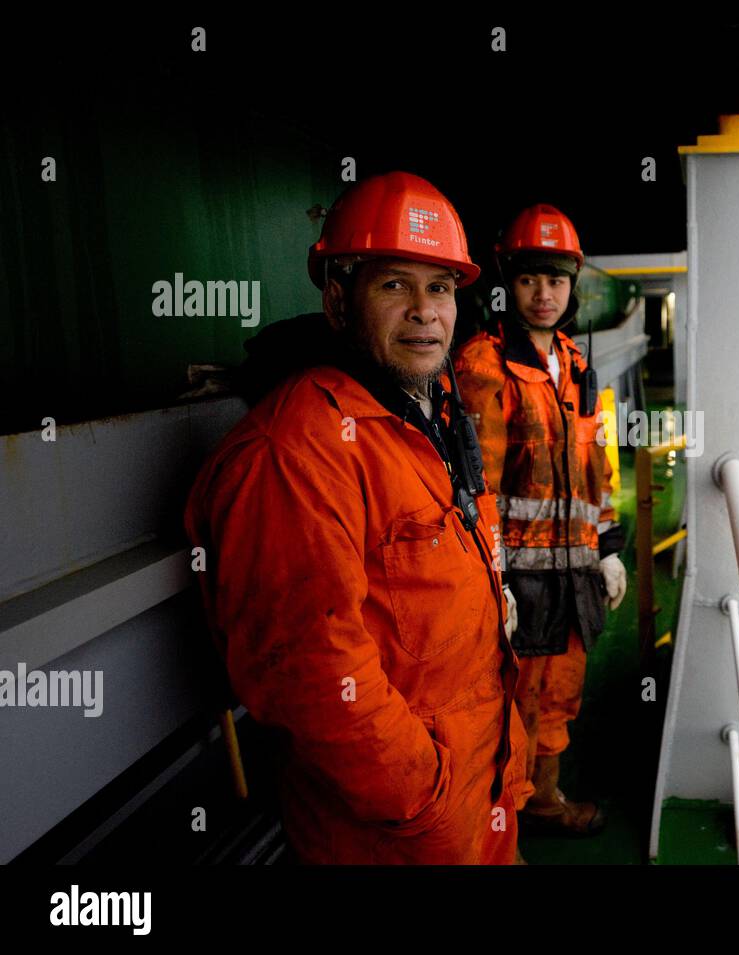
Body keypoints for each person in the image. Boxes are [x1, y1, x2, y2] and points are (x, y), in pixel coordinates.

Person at [183, 171, 531, 864]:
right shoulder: (296, 452)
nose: (425, 311)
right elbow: (310, 673)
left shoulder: (426, 410)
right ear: (339, 300)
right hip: (399, 834)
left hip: (483, 788)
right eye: (394, 284)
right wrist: (427, 800)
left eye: (439, 286)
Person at [454, 204, 626, 836]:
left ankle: (544, 804)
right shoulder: (483, 367)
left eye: (556, 280)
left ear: (573, 285)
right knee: (510, 713)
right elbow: (479, 489)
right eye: (531, 279)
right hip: (521, 587)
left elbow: (596, 472)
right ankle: (503, 835)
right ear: (509, 282)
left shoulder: (577, 369)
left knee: (557, 702)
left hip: (575, 576)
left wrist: (608, 545)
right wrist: (491, 580)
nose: (545, 293)